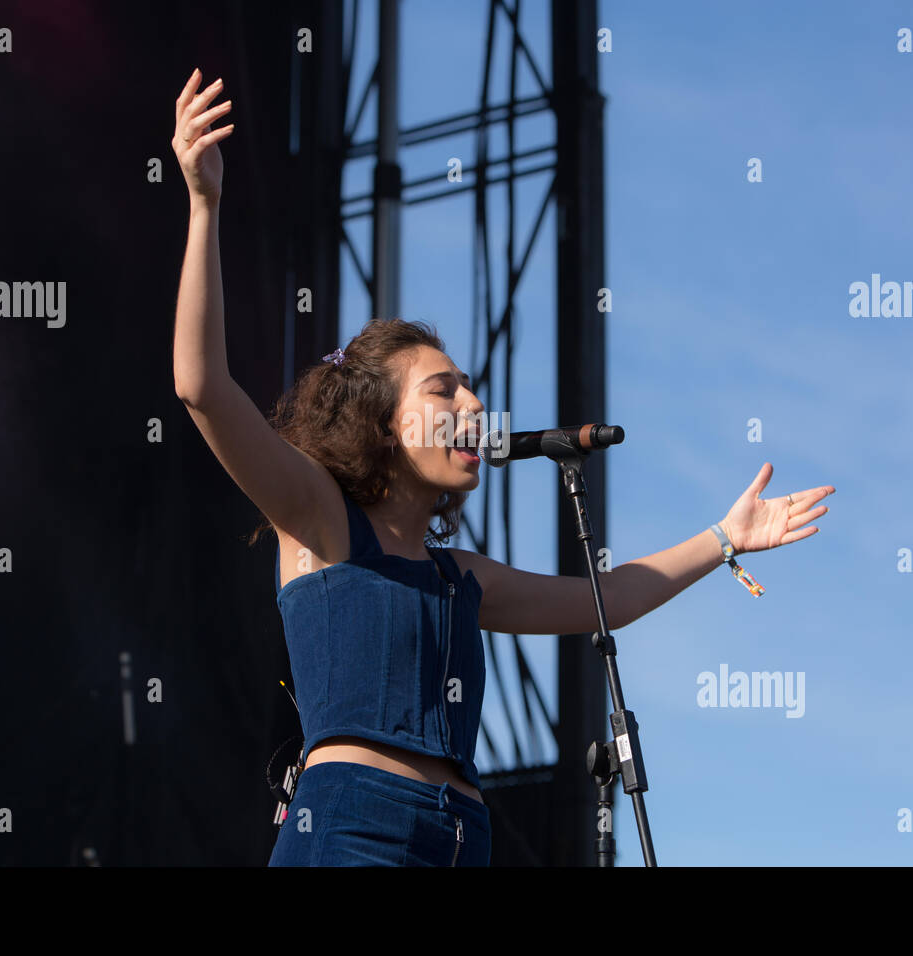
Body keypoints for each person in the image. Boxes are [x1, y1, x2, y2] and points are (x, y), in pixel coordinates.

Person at [169, 69, 836, 866]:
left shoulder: (461, 577)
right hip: (351, 829)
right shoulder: (319, 519)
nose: (476, 406)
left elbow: (606, 602)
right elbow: (201, 386)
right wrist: (204, 205)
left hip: (462, 841)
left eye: (474, 389)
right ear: (381, 421)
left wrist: (725, 536)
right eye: (445, 389)